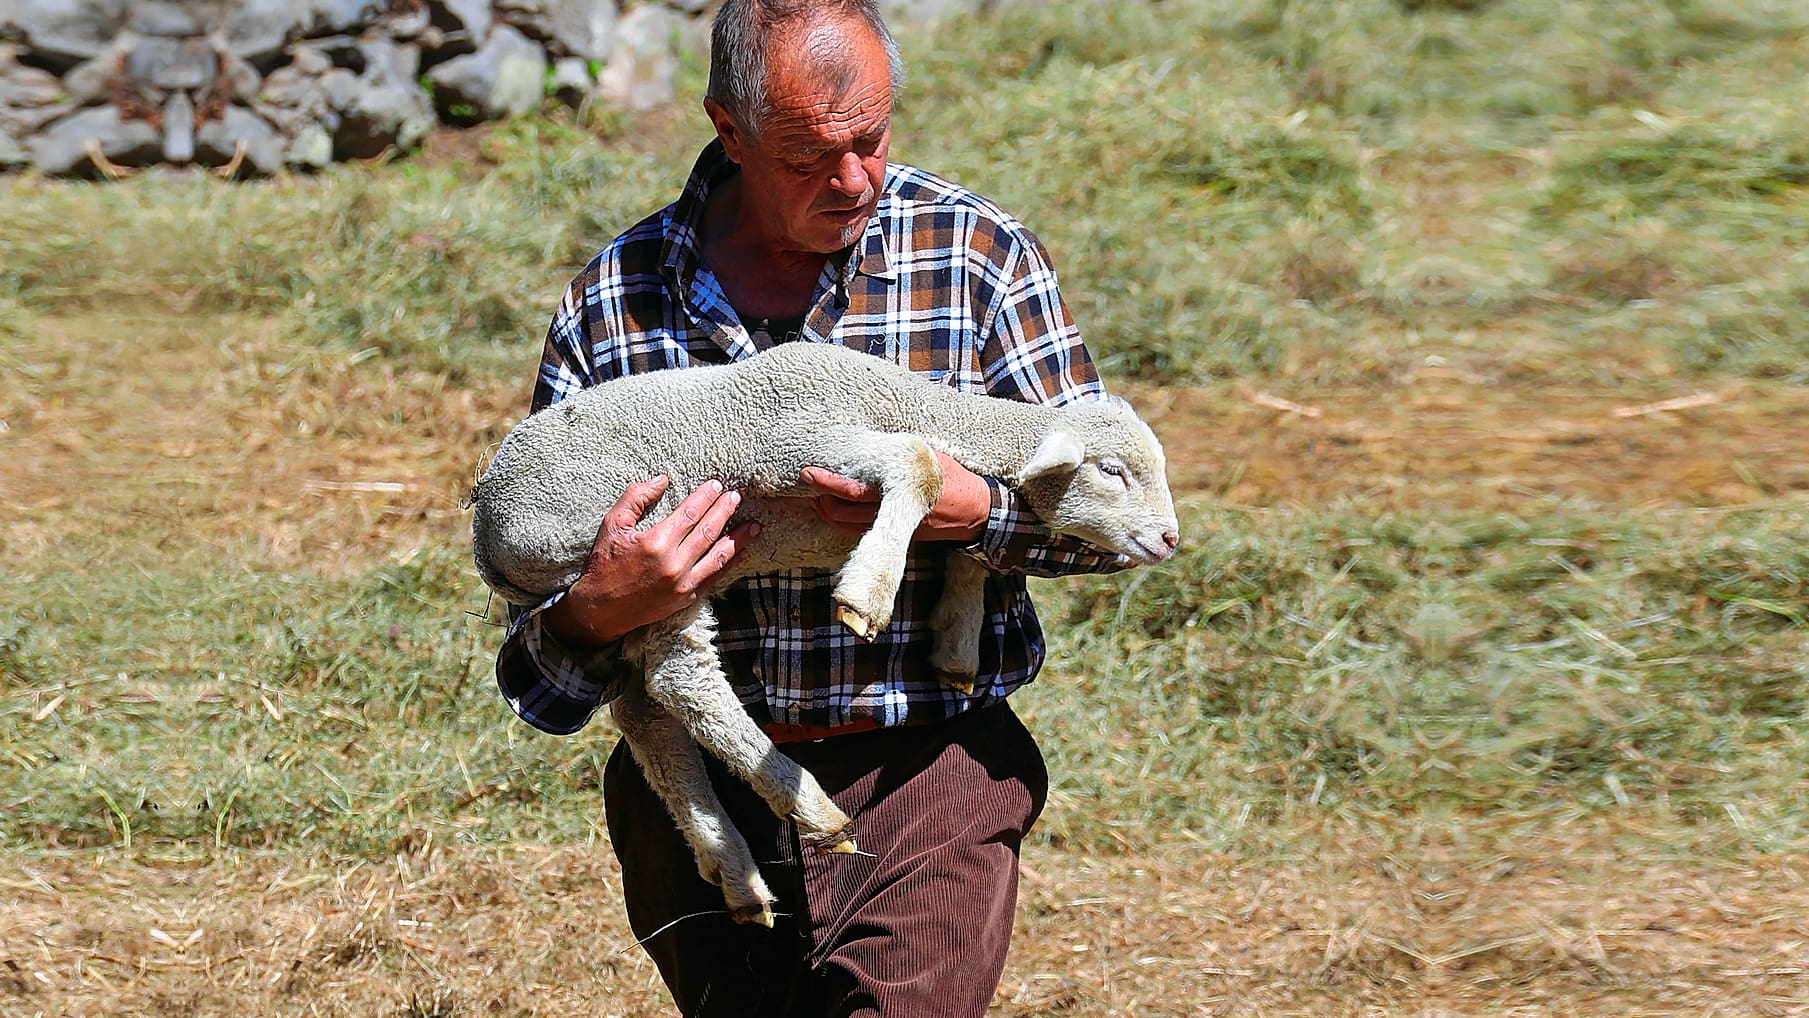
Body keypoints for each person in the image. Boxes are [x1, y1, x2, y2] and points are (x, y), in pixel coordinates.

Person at [493, 1, 1125, 1013]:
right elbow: (533, 665)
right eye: (807, 156)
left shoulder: (979, 261)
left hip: (929, 770)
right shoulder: (614, 303)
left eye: (871, 139)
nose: (852, 179)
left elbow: (1120, 526)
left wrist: (975, 512)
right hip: (698, 805)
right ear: (727, 129)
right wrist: (596, 609)